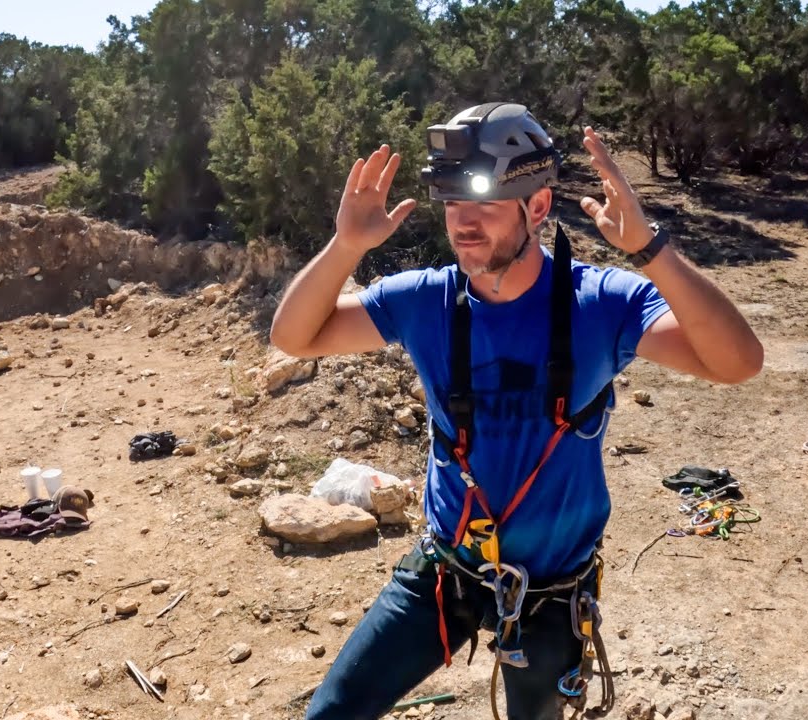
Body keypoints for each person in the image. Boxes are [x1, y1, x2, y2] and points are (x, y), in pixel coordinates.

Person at [270, 102, 763, 720]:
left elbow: (738, 362)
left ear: (537, 206)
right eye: (452, 203)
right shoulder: (424, 299)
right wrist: (346, 246)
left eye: (483, 202)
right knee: (331, 712)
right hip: (447, 567)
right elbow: (294, 338)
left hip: (551, 591)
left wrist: (649, 248)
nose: (463, 223)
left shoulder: (601, 303)